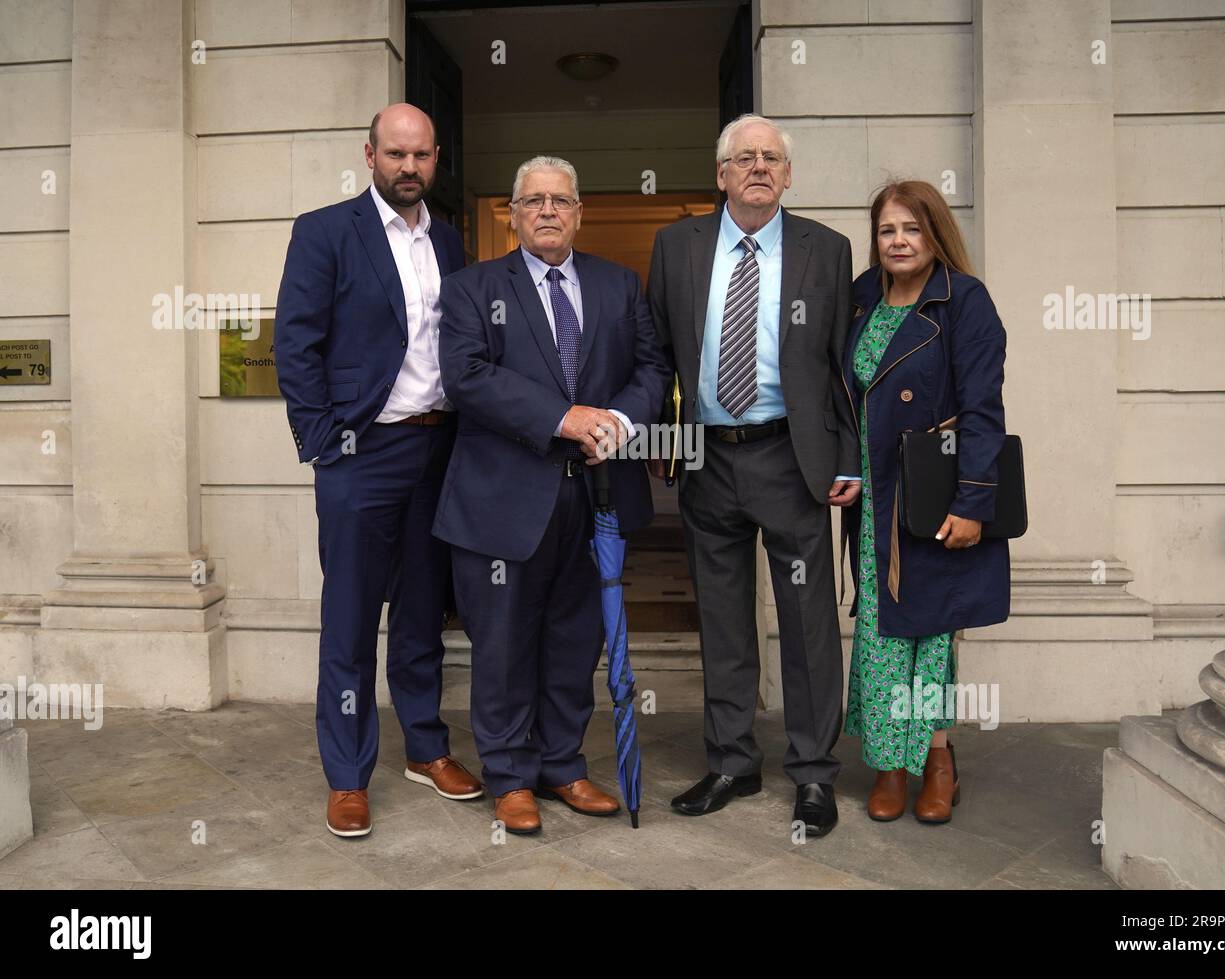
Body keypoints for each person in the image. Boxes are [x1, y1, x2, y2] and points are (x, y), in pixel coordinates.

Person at [434, 156, 671, 835]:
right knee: (504, 643)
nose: (546, 211)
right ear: (511, 213)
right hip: (501, 500)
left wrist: (619, 422)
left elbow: (653, 368)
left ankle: (563, 763)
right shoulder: (474, 288)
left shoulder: (619, 285)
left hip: (596, 496)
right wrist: (562, 418)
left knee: (576, 637)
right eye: (533, 200)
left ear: (578, 212)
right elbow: (467, 377)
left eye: (560, 200)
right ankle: (510, 776)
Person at [647, 114, 859, 838]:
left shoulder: (826, 251)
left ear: (788, 175)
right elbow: (654, 351)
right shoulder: (676, 246)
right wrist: (649, 436)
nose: (759, 168)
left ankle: (812, 773)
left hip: (790, 456)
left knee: (805, 620)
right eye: (744, 158)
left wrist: (850, 460)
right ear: (721, 174)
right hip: (708, 455)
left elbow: (845, 369)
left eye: (771, 158)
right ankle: (734, 761)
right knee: (723, 615)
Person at [275, 103, 482, 838]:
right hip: (362, 453)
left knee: (425, 609)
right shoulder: (326, 232)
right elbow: (294, 345)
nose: (409, 168)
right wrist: (325, 441)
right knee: (353, 617)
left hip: (438, 452)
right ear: (369, 156)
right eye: (396, 154)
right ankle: (347, 772)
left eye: (422, 155)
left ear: (435, 160)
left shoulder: (452, 241)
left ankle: (424, 747)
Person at [842, 179, 1010, 824]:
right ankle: (888, 765)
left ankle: (937, 759)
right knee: (883, 631)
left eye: (911, 229)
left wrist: (972, 501)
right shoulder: (861, 297)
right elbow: (842, 393)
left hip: (933, 490)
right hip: (872, 489)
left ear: (934, 234)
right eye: (887, 230)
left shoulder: (964, 301)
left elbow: (983, 411)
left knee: (930, 633)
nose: (898, 241)